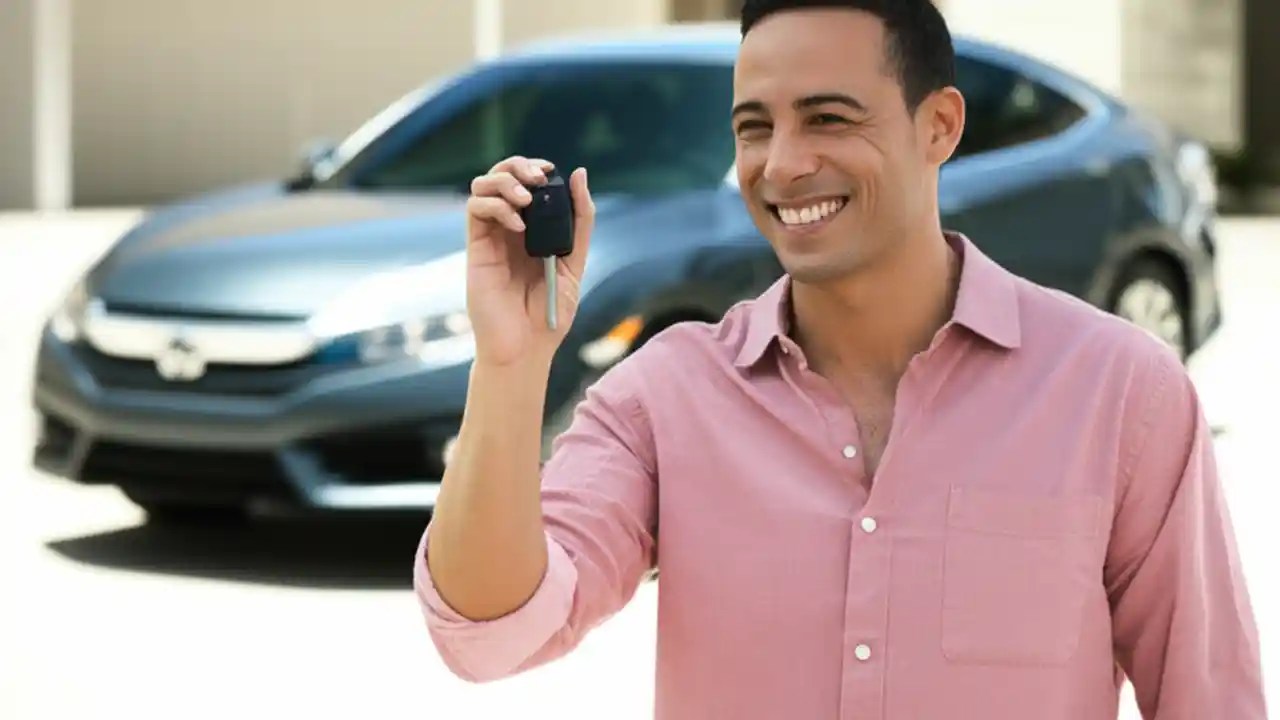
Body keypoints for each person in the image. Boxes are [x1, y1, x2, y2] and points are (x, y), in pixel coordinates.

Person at [413, 1, 1268, 717]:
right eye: (756, 128)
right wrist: (510, 365)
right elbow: (492, 634)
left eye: (828, 118)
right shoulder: (666, 398)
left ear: (939, 126)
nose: (783, 164)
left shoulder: (1120, 392)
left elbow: (1207, 697)